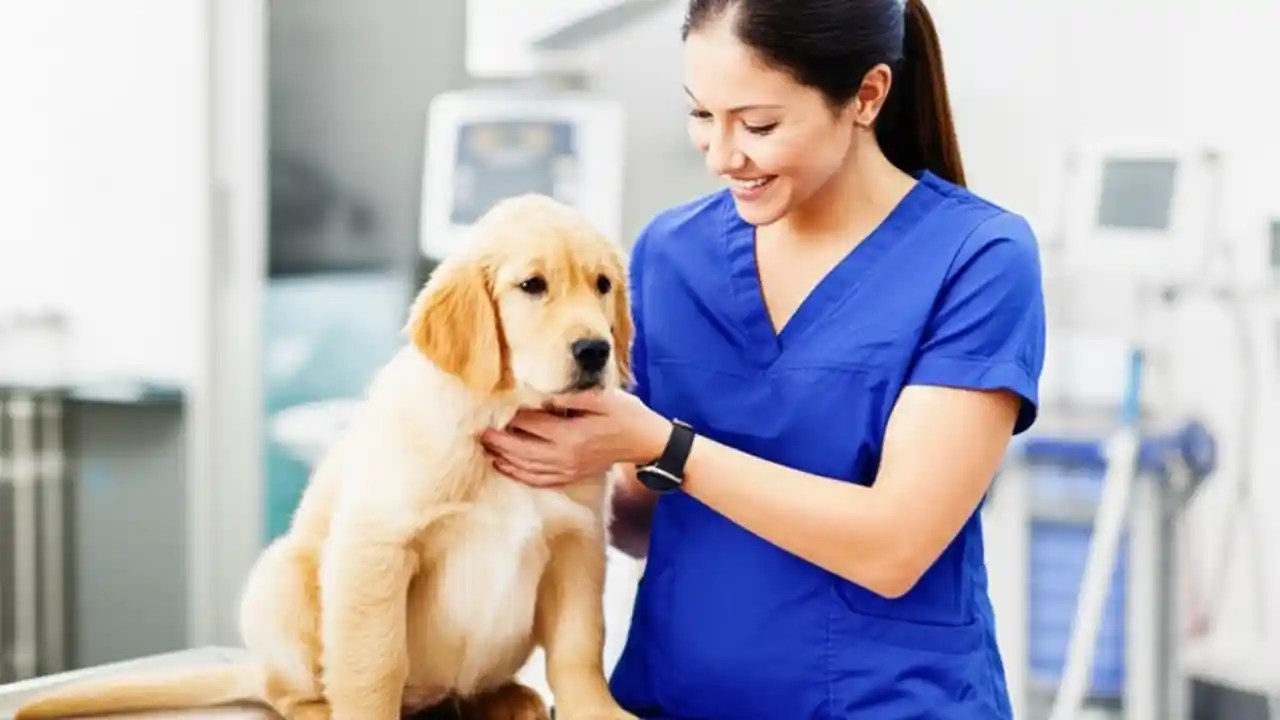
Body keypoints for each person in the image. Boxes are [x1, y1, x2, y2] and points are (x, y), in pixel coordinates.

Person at [480, 0, 1046, 717]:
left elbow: (894, 547)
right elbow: (646, 527)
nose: (721, 156)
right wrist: (566, 461)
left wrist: (661, 445)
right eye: (700, 116)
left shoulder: (978, 259)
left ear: (867, 96)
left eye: (758, 125)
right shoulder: (669, 253)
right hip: (670, 698)